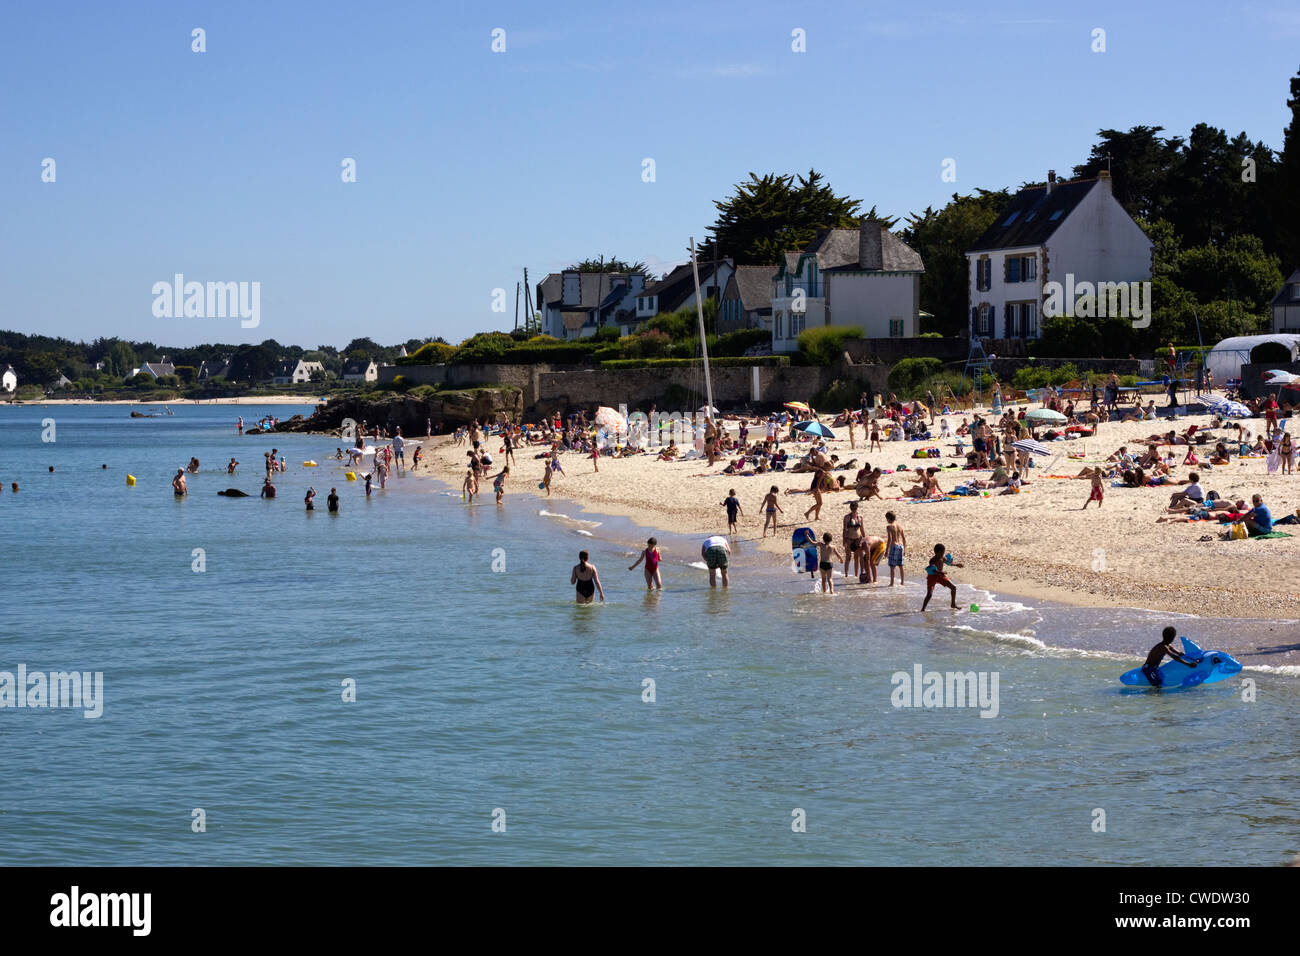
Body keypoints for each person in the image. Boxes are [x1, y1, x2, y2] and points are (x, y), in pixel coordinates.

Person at [920, 544, 963, 611]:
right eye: (942, 553)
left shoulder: (943, 558)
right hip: (932, 577)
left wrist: (957, 565)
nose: (943, 554)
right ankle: (922, 609)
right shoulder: (932, 560)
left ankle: (953, 604)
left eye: (943, 553)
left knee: (953, 588)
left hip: (940, 576)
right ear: (937, 552)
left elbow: (949, 563)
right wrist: (940, 572)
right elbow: (932, 570)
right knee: (929, 595)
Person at [842, 501, 865, 579]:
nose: (854, 510)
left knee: (858, 557)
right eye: (852, 508)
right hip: (849, 539)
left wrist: (864, 539)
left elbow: (862, 529)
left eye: (855, 508)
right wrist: (844, 540)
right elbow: (844, 529)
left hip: (858, 539)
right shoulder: (847, 517)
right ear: (850, 508)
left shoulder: (860, 517)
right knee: (848, 557)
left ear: (857, 508)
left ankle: (858, 574)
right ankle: (846, 575)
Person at [886, 511, 906, 586]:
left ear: (888, 518)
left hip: (894, 546)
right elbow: (904, 538)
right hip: (901, 546)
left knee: (892, 566)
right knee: (901, 565)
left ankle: (892, 583)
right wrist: (905, 549)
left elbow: (890, 539)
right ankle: (902, 582)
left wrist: (887, 551)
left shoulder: (889, 526)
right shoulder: (900, 526)